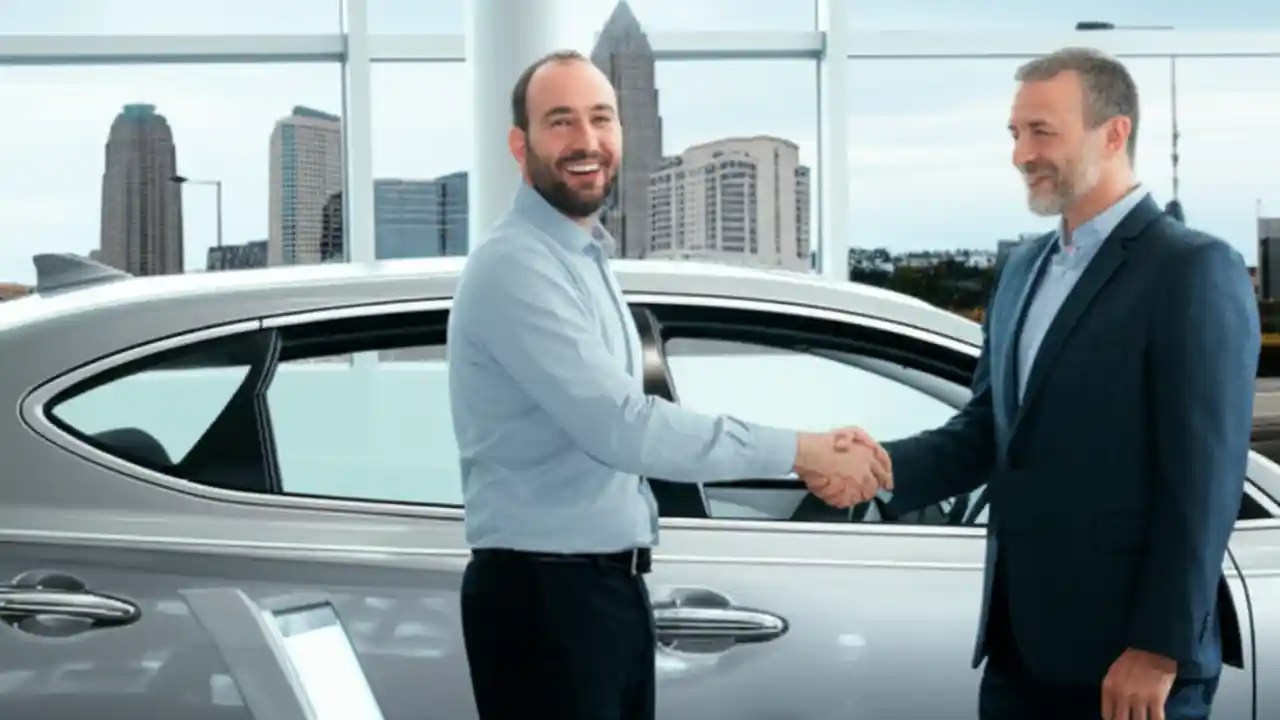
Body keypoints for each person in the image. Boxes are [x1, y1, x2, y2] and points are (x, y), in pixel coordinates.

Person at [445, 49, 891, 720]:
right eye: (561, 122)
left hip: (597, 595)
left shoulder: (582, 259)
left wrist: (811, 457)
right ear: (520, 144)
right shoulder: (515, 267)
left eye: (601, 119)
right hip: (547, 601)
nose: (587, 141)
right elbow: (625, 427)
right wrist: (804, 452)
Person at [852, 47, 1259, 719]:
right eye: (1016, 134)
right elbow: (989, 429)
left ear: (1114, 131)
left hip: (1130, 662)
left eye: (1042, 131)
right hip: (1018, 652)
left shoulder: (1191, 269)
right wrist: (881, 467)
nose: (1020, 154)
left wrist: (1159, 649)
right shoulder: (1021, 271)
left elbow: (1205, 482)